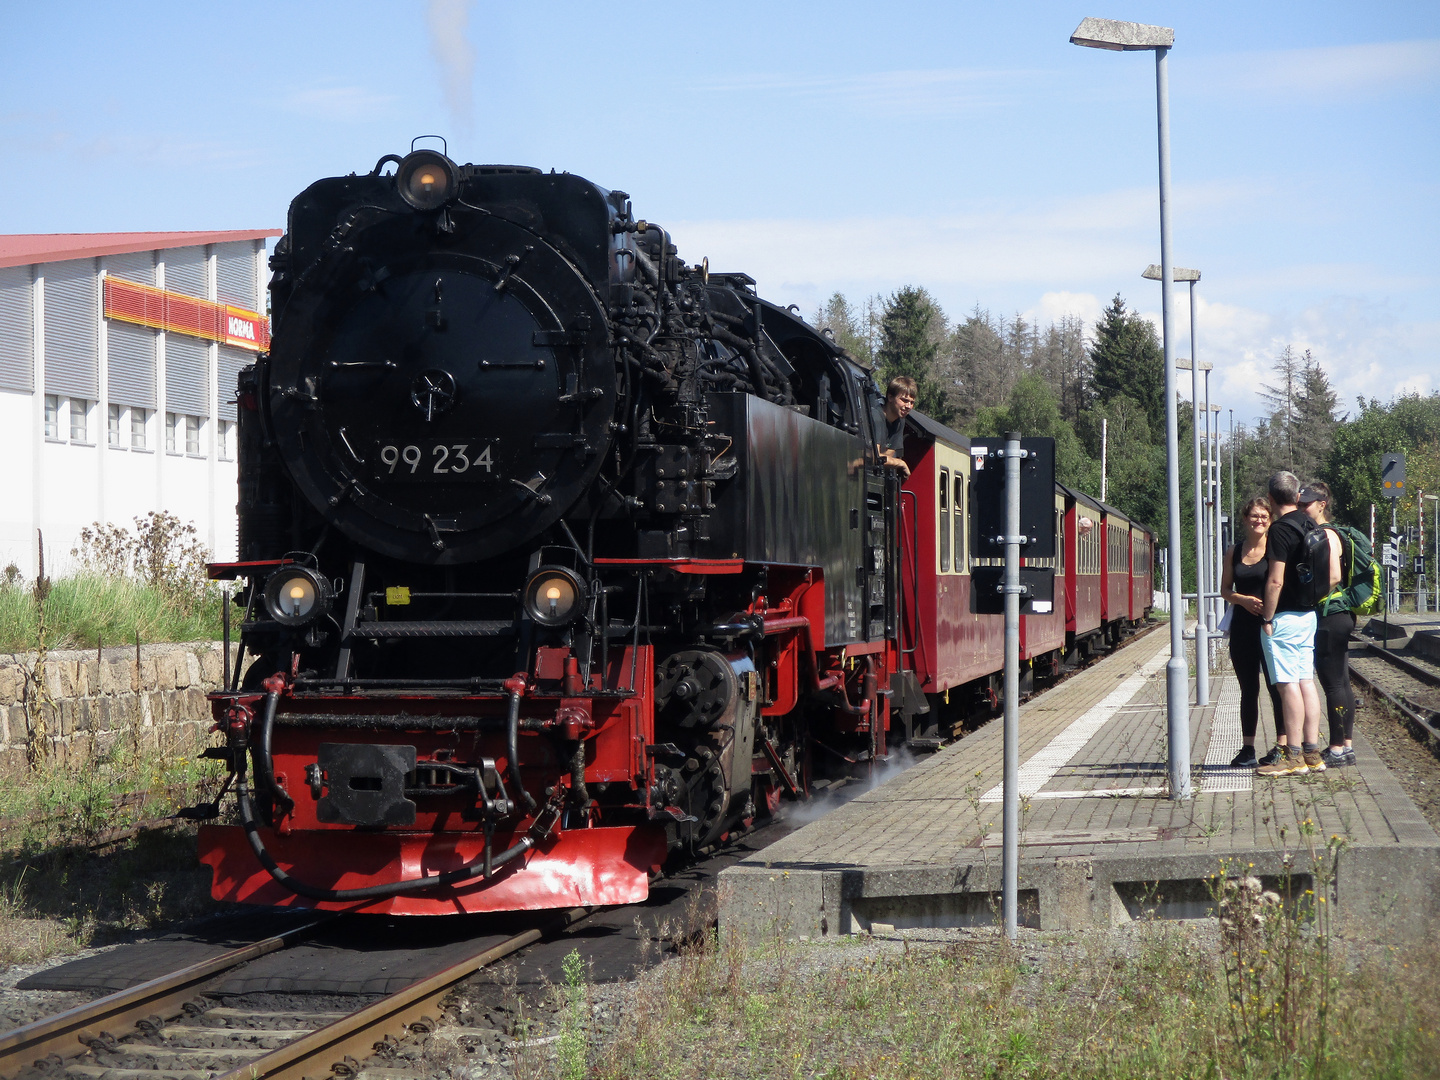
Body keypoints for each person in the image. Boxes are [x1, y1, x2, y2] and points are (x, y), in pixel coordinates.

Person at [1256, 470, 1330, 777]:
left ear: (1272, 499)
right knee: (1306, 682)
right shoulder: (1311, 524)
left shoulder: (1280, 530)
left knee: (1288, 687)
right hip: (1309, 614)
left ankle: (1294, 756)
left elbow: (1275, 580)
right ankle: (1313, 753)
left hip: (1284, 617)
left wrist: (1267, 617)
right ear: (1298, 497)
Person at [1219, 496, 1286, 767]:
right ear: (1245, 519)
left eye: (1264, 517)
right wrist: (1242, 600)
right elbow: (1225, 590)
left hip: (1270, 627)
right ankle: (1247, 748)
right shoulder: (1234, 551)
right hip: (1242, 629)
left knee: (1276, 686)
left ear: (1270, 521)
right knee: (1248, 689)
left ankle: (1282, 745)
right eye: (1254, 516)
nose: (1259, 521)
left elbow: (1281, 584)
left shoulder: (1275, 549)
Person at [1300, 481, 1357, 767]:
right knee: (1342, 682)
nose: (1302, 508)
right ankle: (1345, 745)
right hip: (1340, 614)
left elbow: (1333, 576)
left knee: (1333, 683)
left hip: (1329, 614)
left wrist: (1309, 596)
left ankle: (1336, 747)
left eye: (1307, 503)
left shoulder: (1325, 534)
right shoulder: (1334, 533)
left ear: (1322, 504)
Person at [880, 376, 915, 476]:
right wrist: (900, 463)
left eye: (911, 402)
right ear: (890, 397)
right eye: (904, 400)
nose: (908, 406)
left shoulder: (900, 422)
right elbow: (875, 457)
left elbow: (887, 457)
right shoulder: (876, 417)